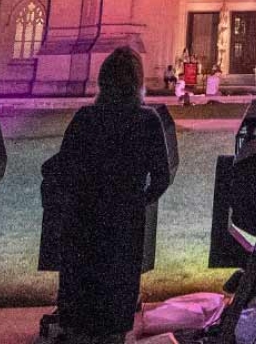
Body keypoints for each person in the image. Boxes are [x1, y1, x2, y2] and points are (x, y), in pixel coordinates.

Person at [55, 47, 173, 344]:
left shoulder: (84, 118)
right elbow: (161, 177)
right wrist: (138, 200)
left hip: (83, 221)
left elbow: (63, 169)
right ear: (137, 82)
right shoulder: (147, 121)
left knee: (80, 307)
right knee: (114, 311)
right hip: (123, 223)